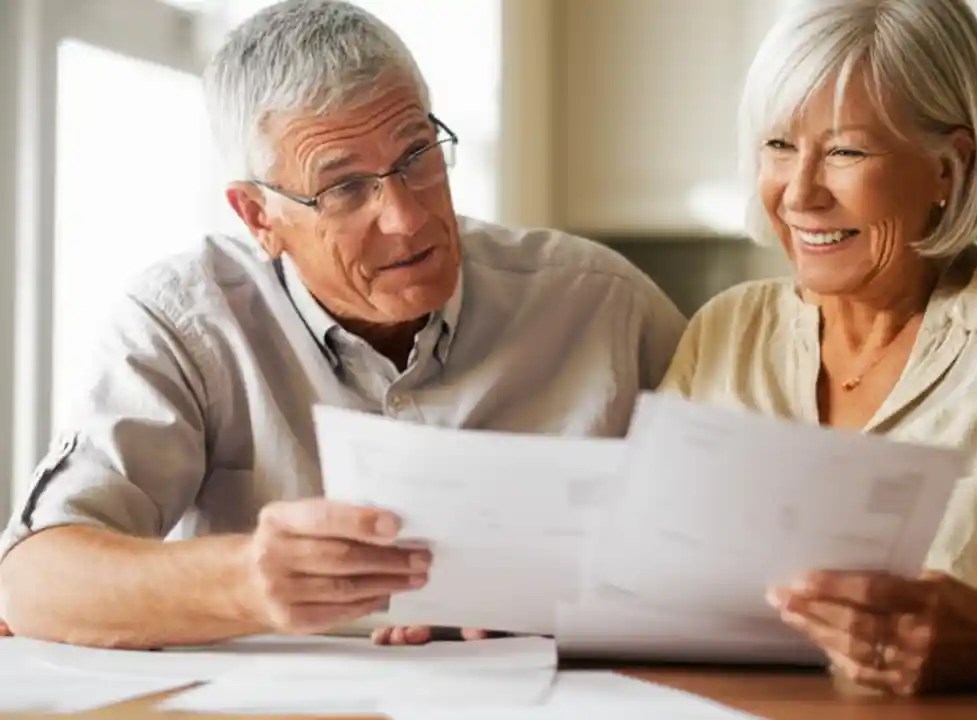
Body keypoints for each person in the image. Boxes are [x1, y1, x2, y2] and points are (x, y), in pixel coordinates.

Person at [0, 0, 684, 649]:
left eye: (418, 155)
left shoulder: (604, 306)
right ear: (259, 217)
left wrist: (578, 608)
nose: (408, 218)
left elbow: (736, 558)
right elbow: (29, 585)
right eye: (344, 188)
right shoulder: (185, 321)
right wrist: (244, 582)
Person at [660, 0, 977, 695]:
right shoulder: (725, 332)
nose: (800, 193)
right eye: (780, 145)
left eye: (846, 150)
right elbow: (644, 593)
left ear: (949, 167)